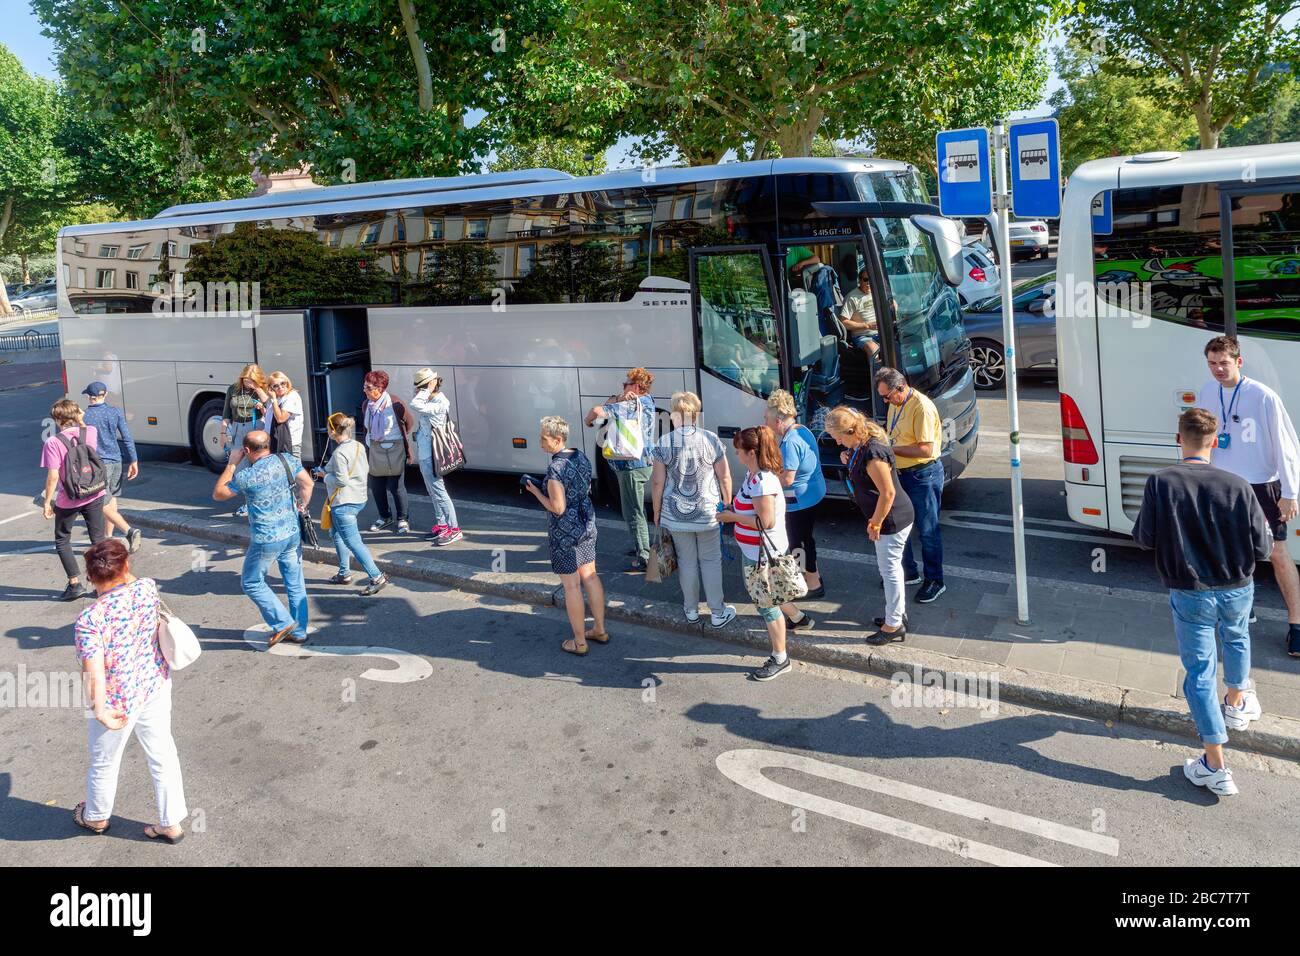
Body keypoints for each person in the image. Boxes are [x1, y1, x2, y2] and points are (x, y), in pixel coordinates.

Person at [1132, 408, 1273, 796]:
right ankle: (1236, 702)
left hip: (1190, 589)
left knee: (1199, 673)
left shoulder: (1161, 482)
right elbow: (1262, 547)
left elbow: (1144, 537)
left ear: (1179, 439)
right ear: (1215, 442)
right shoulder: (1238, 484)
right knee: (1238, 638)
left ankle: (1215, 763)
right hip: (1237, 586)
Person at [72, 539, 187, 843]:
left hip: (118, 700)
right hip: (155, 684)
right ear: (126, 566)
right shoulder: (147, 588)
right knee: (163, 753)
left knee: (105, 760)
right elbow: (130, 578)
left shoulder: (90, 619)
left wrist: (100, 710)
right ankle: (171, 822)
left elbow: (93, 672)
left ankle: (95, 816)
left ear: (90, 576)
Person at [1195, 335, 1300, 658]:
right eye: (1212, 363)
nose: (1218, 369)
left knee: (1277, 554)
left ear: (1239, 362)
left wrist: (1290, 492)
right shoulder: (1207, 391)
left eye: (1223, 363)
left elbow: (1286, 445)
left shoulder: (1263, 397)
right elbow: (1199, 437)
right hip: (1224, 484)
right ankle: (1245, 610)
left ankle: (1296, 625)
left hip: (1261, 485)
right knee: (1232, 551)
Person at [212, 429, 314, 647]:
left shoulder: (247, 476)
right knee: (295, 583)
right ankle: (300, 630)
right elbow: (308, 484)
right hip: (292, 531)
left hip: (266, 537)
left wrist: (231, 463)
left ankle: (283, 622)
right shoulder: (287, 459)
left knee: (251, 582)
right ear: (268, 445)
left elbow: (219, 493)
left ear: (247, 450)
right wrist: (301, 506)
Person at [825, 406, 915, 644]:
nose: (837, 442)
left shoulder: (872, 454)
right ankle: (896, 615)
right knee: (892, 570)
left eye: (838, 437)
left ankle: (894, 625)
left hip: (891, 519)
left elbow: (888, 493)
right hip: (892, 517)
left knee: (890, 572)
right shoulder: (861, 445)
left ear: (850, 431)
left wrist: (875, 523)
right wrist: (848, 457)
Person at [650, 391, 736, 628]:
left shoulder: (664, 442)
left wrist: (657, 511)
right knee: (710, 560)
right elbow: (725, 476)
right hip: (708, 512)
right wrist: (727, 505)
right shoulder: (711, 439)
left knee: (686, 561)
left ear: (675, 415)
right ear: (696, 414)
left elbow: (657, 482)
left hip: (675, 514)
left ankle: (691, 610)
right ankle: (718, 612)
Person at [527, 416, 608, 656]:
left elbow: (558, 507)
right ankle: (600, 629)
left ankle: (580, 642)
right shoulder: (580, 455)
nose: (541, 442)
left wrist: (535, 492)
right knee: (591, 577)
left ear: (558, 439)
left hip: (565, 532)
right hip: (587, 523)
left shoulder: (555, 469)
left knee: (572, 586)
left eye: (544, 438)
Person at [718, 426, 792, 681]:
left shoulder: (762, 481)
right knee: (772, 598)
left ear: (752, 452)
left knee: (767, 607)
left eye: (739, 451)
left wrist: (731, 516)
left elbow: (766, 521)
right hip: (755, 551)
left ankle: (780, 658)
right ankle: (798, 618)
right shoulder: (756, 476)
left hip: (761, 554)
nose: (736, 455)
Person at [877, 366, 946, 604]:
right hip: (901, 472)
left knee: (927, 530)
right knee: (899, 525)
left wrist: (889, 449)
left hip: (922, 474)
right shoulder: (896, 403)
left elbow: (926, 449)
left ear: (901, 387)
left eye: (887, 396)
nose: (885, 401)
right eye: (882, 396)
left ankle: (935, 580)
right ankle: (907, 573)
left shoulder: (922, 407)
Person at [765, 389, 826, 631]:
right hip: (813, 494)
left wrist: (765, 477)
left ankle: (811, 584)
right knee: (805, 538)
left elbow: (787, 479)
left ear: (778, 420)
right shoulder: (803, 429)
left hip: (798, 501)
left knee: (798, 542)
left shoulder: (790, 442)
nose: (765, 423)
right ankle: (814, 578)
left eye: (767, 419)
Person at [585, 366, 656, 571]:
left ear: (635, 386)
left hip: (631, 465)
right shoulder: (647, 401)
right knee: (634, 509)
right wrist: (620, 396)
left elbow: (598, 411)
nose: (622, 387)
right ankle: (641, 546)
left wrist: (588, 421)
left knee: (633, 512)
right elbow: (610, 403)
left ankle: (644, 556)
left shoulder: (631, 406)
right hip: (639, 464)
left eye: (625, 384)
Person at [41, 399, 107, 601]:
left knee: (62, 540)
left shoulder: (53, 443)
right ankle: (102, 585)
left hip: (69, 497)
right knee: (98, 541)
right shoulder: (90, 432)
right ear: (77, 414)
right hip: (95, 491)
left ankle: (74, 584)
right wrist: (81, 420)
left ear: (58, 419)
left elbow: (53, 476)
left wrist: (47, 501)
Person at [317, 414, 388, 595]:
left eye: (328, 428)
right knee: (337, 534)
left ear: (333, 431)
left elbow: (341, 481)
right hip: (359, 497)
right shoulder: (357, 445)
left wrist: (323, 476)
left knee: (353, 542)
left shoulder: (339, 453)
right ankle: (344, 573)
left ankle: (376, 577)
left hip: (344, 502)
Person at [80, 381, 142, 553]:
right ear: (105, 394)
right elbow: (127, 437)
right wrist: (134, 460)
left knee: (100, 501)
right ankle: (108, 536)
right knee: (112, 497)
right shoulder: (115, 412)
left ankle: (129, 530)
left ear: (88, 396)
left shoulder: (84, 416)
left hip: (98, 463)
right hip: (116, 460)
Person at [409, 367, 463, 545]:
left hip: (434, 455)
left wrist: (426, 389)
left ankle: (454, 529)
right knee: (433, 492)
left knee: (440, 492)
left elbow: (415, 404)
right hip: (426, 454)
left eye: (419, 387)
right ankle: (443, 526)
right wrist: (427, 390)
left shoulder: (439, 402)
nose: (416, 391)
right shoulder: (430, 400)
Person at [362, 370, 415, 534]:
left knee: (396, 486)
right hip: (375, 448)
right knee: (376, 486)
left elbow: (409, 422)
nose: (365, 390)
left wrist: (397, 440)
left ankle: (403, 518)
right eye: (365, 386)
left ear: (380, 388)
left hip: (394, 448)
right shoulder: (367, 405)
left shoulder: (395, 403)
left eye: (369, 387)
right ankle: (384, 516)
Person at [221, 364, 269, 517]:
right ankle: (249, 503)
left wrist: (257, 389)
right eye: (245, 380)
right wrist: (223, 432)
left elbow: (270, 406)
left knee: (259, 468)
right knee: (241, 469)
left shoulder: (262, 389)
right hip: (237, 429)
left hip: (255, 429)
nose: (247, 383)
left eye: (251, 380)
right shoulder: (233, 389)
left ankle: (260, 502)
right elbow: (226, 413)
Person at [838, 268, 881, 358]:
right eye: (866, 280)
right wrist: (867, 325)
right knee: (874, 350)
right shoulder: (852, 297)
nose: (869, 283)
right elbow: (843, 322)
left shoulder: (877, 292)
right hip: (863, 336)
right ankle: (878, 371)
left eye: (871, 280)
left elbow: (892, 303)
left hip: (881, 333)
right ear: (860, 280)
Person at [265, 371, 304, 458]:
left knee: (292, 471)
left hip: (289, 444)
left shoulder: (291, 396)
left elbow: (280, 418)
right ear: (270, 388)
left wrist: (274, 400)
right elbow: (270, 419)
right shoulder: (273, 399)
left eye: (283, 383)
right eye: (275, 386)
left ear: (287, 382)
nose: (280, 387)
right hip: (273, 442)